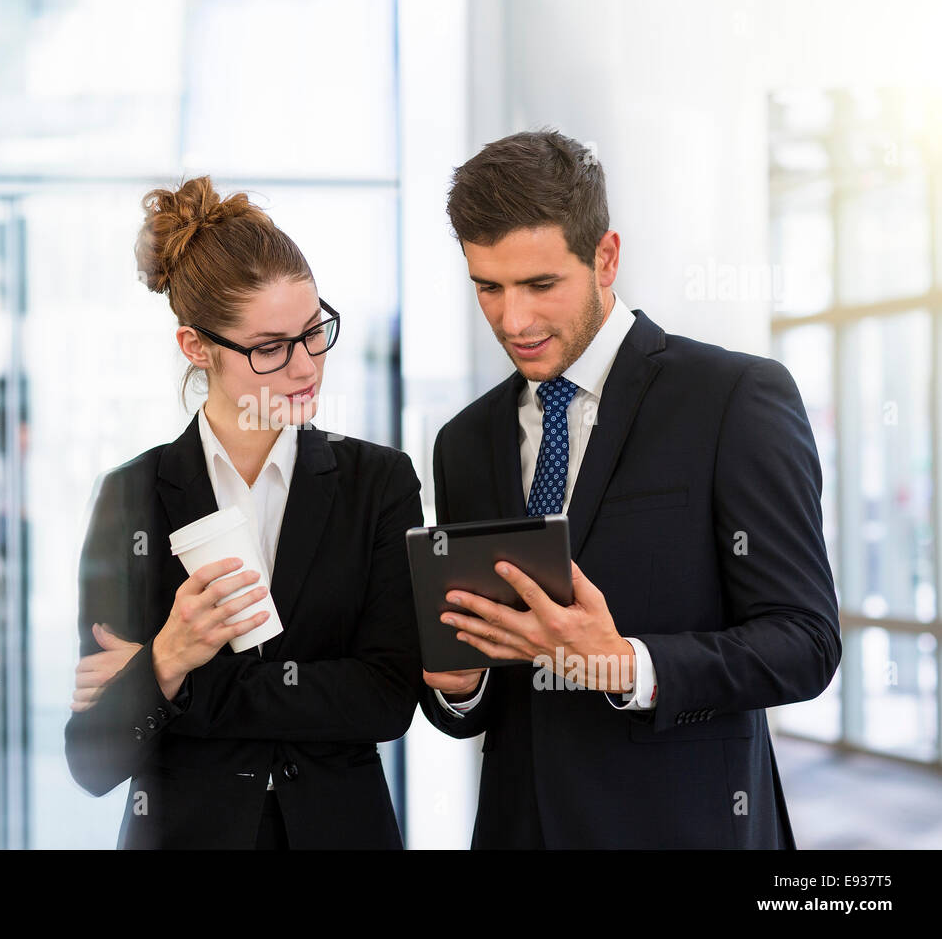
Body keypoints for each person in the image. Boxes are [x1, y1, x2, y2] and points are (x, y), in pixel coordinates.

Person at [419, 129, 840, 848]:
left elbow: (804, 642)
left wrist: (625, 663)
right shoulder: (463, 441)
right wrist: (457, 687)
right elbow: (482, 693)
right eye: (488, 287)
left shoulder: (734, 398)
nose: (512, 320)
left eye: (540, 285)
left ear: (606, 257)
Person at [64, 175, 423, 849]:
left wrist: (171, 680)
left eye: (315, 332)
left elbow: (383, 697)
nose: (305, 366)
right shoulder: (132, 496)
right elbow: (92, 758)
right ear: (197, 348)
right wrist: (170, 654)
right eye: (270, 348)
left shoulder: (377, 481)